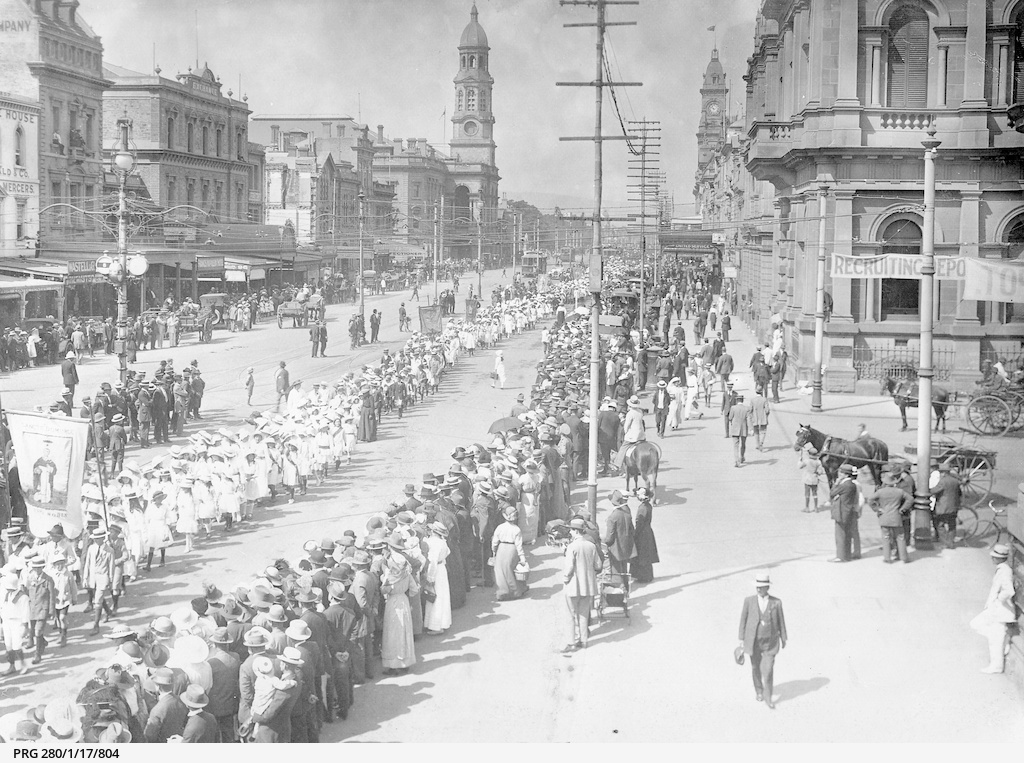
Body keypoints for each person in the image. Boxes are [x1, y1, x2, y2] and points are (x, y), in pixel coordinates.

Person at [738, 571, 787, 709]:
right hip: (753, 641)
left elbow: (781, 621)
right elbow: (743, 620)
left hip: (770, 643)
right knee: (755, 667)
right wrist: (741, 639)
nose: (759, 589)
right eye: (757, 586)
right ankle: (759, 690)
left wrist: (783, 637)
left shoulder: (776, 603)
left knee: (769, 669)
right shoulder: (749, 601)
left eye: (762, 586)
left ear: (768, 588)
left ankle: (768, 697)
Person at [971, 544, 1017, 674]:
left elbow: (1009, 591)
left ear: (998, 558)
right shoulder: (1002, 568)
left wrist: (999, 600)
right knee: (978, 625)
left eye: (994, 557)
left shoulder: (1004, 571)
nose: (992, 558)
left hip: (1001, 610)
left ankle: (996, 666)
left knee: (995, 639)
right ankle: (1005, 642)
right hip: (997, 610)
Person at [561, 517, 601, 654]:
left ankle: (571, 643)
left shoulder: (572, 546)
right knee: (583, 614)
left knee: (570, 614)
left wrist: (565, 579)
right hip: (588, 585)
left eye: (571, 530)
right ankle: (584, 641)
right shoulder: (591, 545)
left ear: (574, 531)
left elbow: (569, 567)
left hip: (573, 585)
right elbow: (598, 565)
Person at [867, 470, 913, 564]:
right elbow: (910, 499)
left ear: (885, 482)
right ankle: (904, 557)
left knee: (886, 537)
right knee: (900, 537)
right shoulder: (899, 491)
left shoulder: (880, 492)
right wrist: (903, 509)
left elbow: (870, 500)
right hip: (896, 516)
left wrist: (877, 509)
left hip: (884, 516)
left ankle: (887, 558)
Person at [491, 506, 528, 601]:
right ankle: (515, 591)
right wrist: (522, 558)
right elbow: (519, 546)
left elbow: (494, 541)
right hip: (512, 549)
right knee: (510, 570)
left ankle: (502, 591)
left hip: (501, 548)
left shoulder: (500, 527)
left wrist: (494, 551)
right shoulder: (516, 530)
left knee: (499, 571)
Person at [423, 522, 453, 633]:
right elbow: (447, 553)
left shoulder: (431, 542)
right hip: (442, 569)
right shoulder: (442, 542)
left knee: (435, 596)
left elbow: (433, 562)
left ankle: (435, 625)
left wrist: (430, 577)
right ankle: (440, 622)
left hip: (435, 570)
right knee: (441, 595)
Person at [828, 463, 861, 561]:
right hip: (848, 511)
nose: (839, 474)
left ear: (846, 475)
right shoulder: (852, 484)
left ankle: (840, 556)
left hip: (841, 512)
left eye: (841, 473)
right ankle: (847, 555)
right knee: (847, 535)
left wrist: (836, 483)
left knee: (840, 535)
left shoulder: (844, 484)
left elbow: (832, 493)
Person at [602, 490, 636, 576]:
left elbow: (609, 538)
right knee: (624, 568)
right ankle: (625, 586)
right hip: (625, 545)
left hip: (615, 547)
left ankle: (620, 587)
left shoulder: (612, 517)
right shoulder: (626, 513)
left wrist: (604, 542)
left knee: (616, 569)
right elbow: (632, 529)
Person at [929, 463, 961, 549]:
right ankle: (951, 541)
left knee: (939, 524)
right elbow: (959, 493)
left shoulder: (943, 481)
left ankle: (947, 542)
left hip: (943, 507)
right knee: (952, 525)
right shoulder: (955, 481)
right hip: (954, 507)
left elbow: (934, 491)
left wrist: (928, 490)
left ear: (943, 473)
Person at [630, 486, 658, 583]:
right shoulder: (648, 506)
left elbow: (639, 522)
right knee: (646, 554)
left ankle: (642, 576)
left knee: (642, 554)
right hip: (647, 531)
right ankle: (647, 575)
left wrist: (635, 534)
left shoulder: (642, 508)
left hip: (642, 533)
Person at [798, 446, 825, 513]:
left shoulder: (806, 461)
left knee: (807, 493)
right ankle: (816, 508)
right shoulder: (818, 462)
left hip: (807, 479)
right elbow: (821, 471)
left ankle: (807, 507)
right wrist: (818, 472)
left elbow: (800, 466)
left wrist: (799, 460)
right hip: (814, 479)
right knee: (815, 493)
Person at [728, 394, 751, 468]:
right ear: (742, 400)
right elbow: (748, 419)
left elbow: (730, 417)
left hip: (735, 429)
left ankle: (737, 460)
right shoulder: (746, 408)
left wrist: (732, 423)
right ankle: (742, 456)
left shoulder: (733, 408)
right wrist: (751, 429)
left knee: (735, 445)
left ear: (737, 400)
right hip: (744, 429)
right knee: (743, 444)